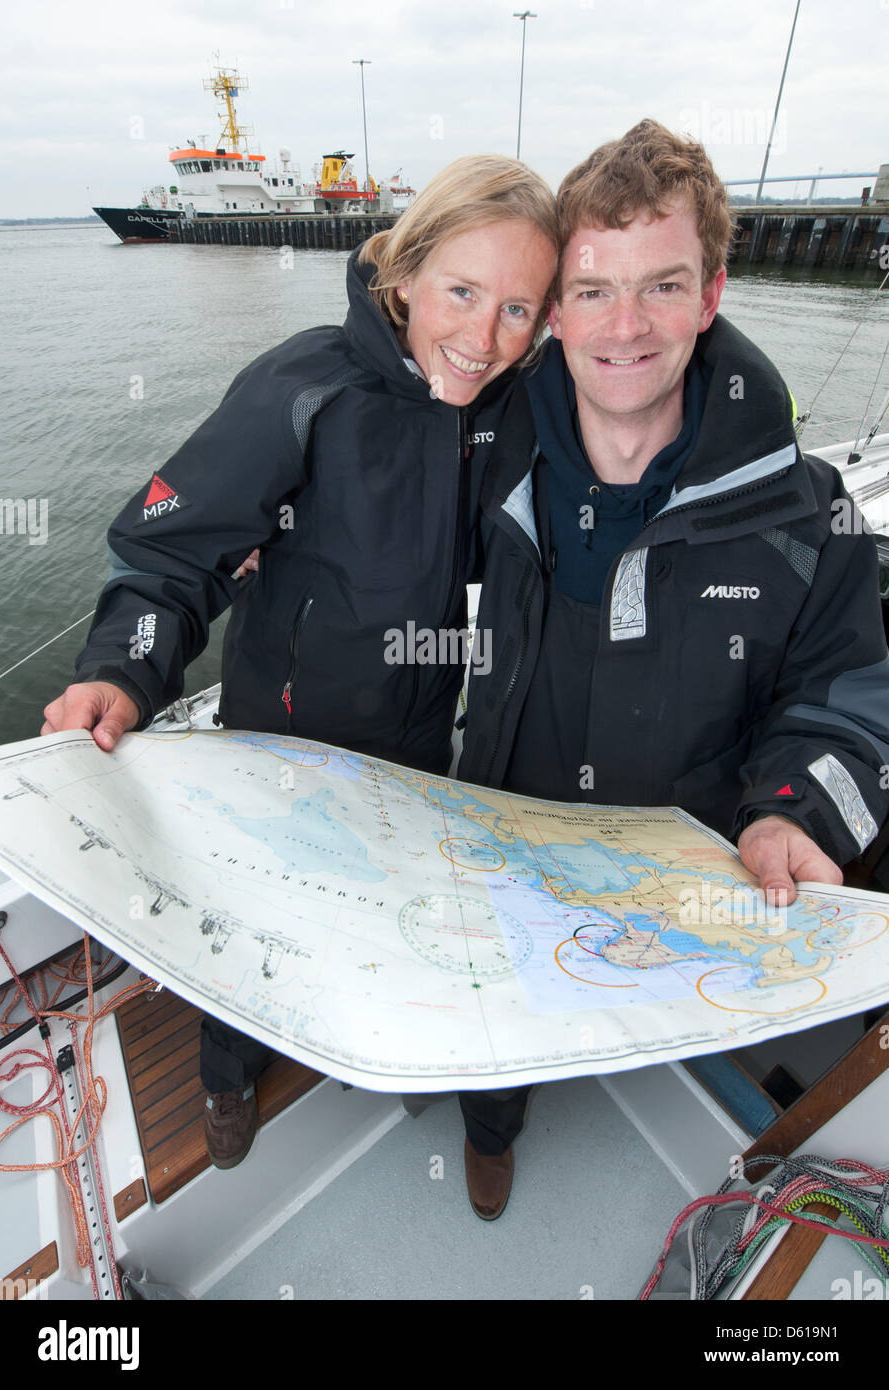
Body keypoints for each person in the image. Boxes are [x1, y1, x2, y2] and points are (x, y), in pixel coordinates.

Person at [40, 156, 558, 1190]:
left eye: (516, 309)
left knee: (385, 917)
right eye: (461, 292)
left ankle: (402, 1064)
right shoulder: (303, 383)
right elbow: (167, 550)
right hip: (277, 737)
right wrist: (124, 670)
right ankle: (228, 1075)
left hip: (416, 736)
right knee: (255, 929)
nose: (482, 336)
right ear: (405, 274)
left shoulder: (515, 404)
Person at [457, 120, 889, 1217]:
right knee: (494, 1042)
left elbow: (844, 691)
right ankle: (489, 1127)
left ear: (711, 295)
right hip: (503, 843)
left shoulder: (812, 515)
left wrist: (795, 809)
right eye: (594, 290)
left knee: (678, 1065)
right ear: (556, 308)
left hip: (691, 875)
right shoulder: (478, 445)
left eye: (663, 285)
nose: (626, 326)